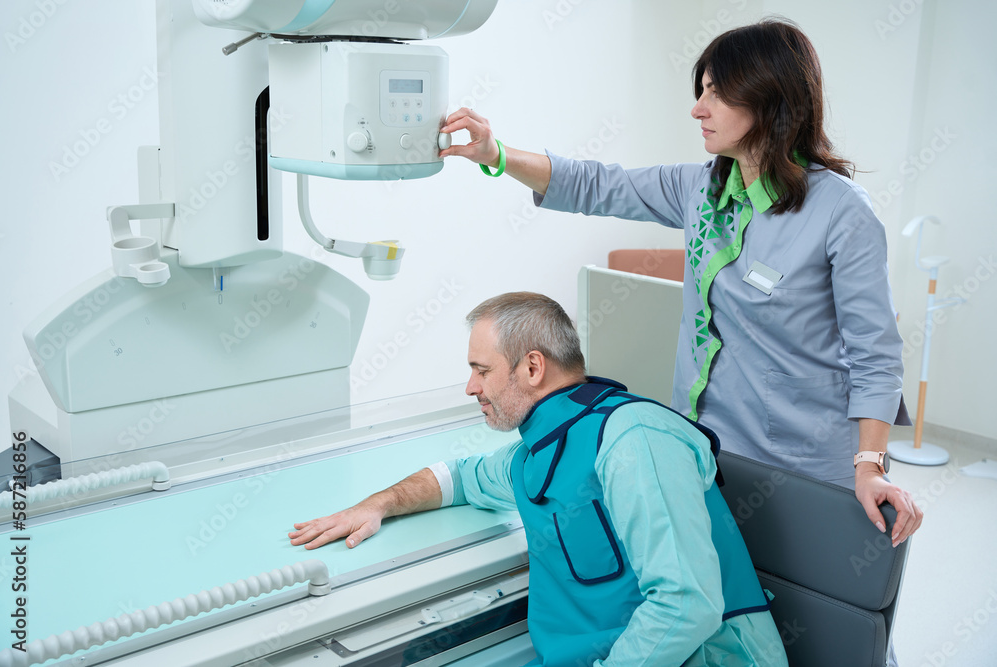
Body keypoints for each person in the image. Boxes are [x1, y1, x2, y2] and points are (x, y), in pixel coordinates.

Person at [436, 19, 923, 551]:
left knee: (821, 617)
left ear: (769, 99)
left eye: (717, 92)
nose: (698, 107)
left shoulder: (841, 212)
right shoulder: (701, 190)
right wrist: (496, 154)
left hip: (810, 462)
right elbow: (596, 183)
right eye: (702, 90)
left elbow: (876, 354)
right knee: (734, 596)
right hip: (710, 447)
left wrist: (870, 464)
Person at [290, 292, 788, 667]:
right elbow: (459, 479)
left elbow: (686, 606)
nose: (470, 387)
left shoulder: (634, 438)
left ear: (531, 367)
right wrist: (377, 504)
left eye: (481, 371)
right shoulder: (539, 452)